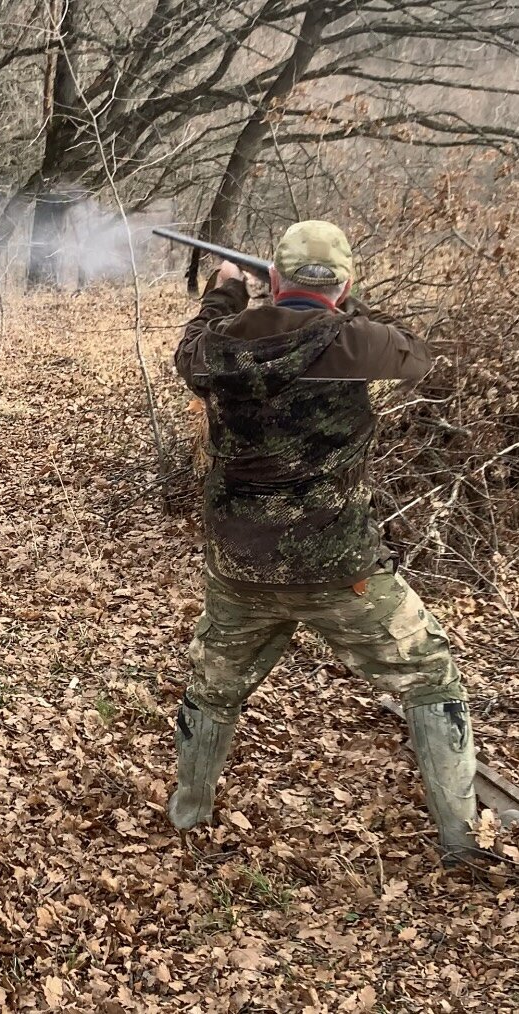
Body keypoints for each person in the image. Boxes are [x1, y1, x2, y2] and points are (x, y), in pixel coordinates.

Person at [169, 219, 478, 864]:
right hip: (343, 570)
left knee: (212, 688)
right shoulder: (359, 343)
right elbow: (416, 354)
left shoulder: (226, 341)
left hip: (242, 568)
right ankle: (460, 842)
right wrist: (344, 307)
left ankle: (188, 820)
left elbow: (190, 355)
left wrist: (227, 293)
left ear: (274, 279)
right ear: (341, 286)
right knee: (431, 678)